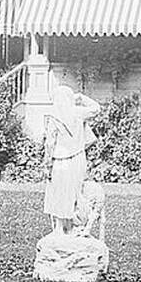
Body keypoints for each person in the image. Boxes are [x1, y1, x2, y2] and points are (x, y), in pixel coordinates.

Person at [42, 83, 102, 233]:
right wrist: (82, 97)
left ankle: (60, 228)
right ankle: (75, 225)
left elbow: (50, 144)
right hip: (78, 158)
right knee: (75, 192)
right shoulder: (78, 112)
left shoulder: (54, 116)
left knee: (59, 192)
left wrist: (47, 165)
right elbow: (96, 108)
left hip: (60, 160)